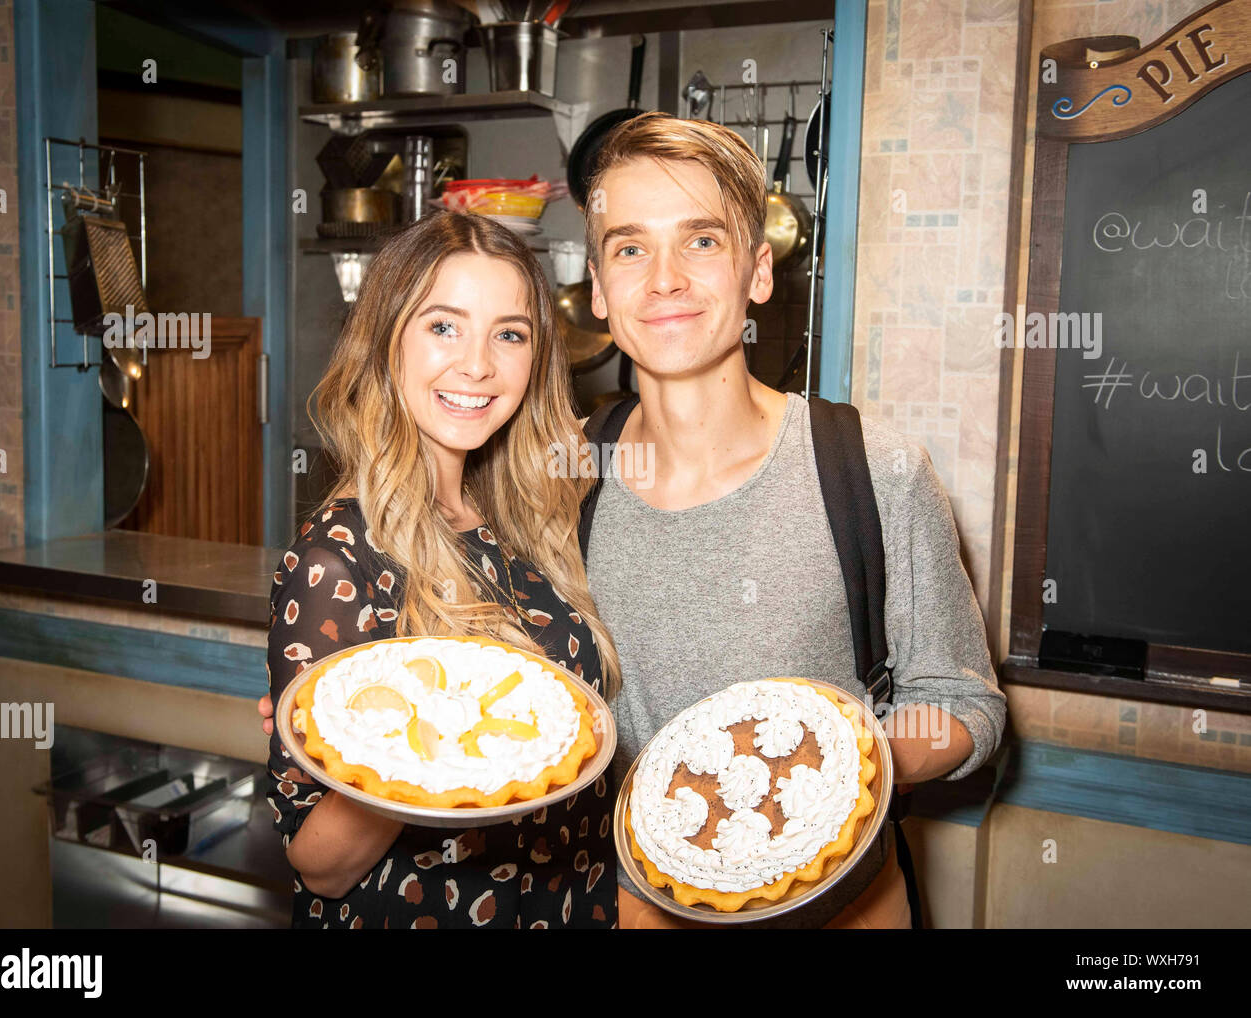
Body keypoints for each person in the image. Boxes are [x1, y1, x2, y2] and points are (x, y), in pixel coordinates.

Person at [576, 113, 1007, 929]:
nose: (664, 277)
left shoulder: (869, 468)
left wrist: (847, 765)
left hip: (842, 911)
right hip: (639, 914)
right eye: (630, 247)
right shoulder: (559, 478)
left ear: (758, 272)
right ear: (599, 287)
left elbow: (965, 704)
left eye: (701, 241)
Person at [262, 211, 621, 929]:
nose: (478, 364)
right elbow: (319, 864)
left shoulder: (528, 522)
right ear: (387, 340)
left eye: (509, 334)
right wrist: (426, 739)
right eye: (443, 326)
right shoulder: (338, 558)